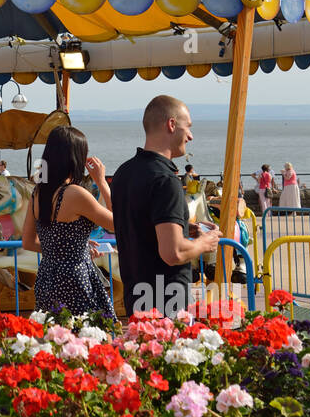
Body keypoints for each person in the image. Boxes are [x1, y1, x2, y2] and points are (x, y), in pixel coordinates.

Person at [111, 95, 220, 318]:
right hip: (167, 301)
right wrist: (204, 243)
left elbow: (140, 225)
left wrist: (180, 227)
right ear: (171, 124)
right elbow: (173, 252)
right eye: (187, 127)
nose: (190, 135)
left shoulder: (124, 173)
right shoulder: (165, 180)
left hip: (137, 297)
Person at [21, 125, 115, 317]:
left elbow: (28, 242)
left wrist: (72, 247)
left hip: (47, 278)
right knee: (82, 339)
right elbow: (118, 224)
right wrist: (102, 182)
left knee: (54, 339)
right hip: (75, 279)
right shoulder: (75, 194)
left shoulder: (38, 192)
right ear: (76, 157)